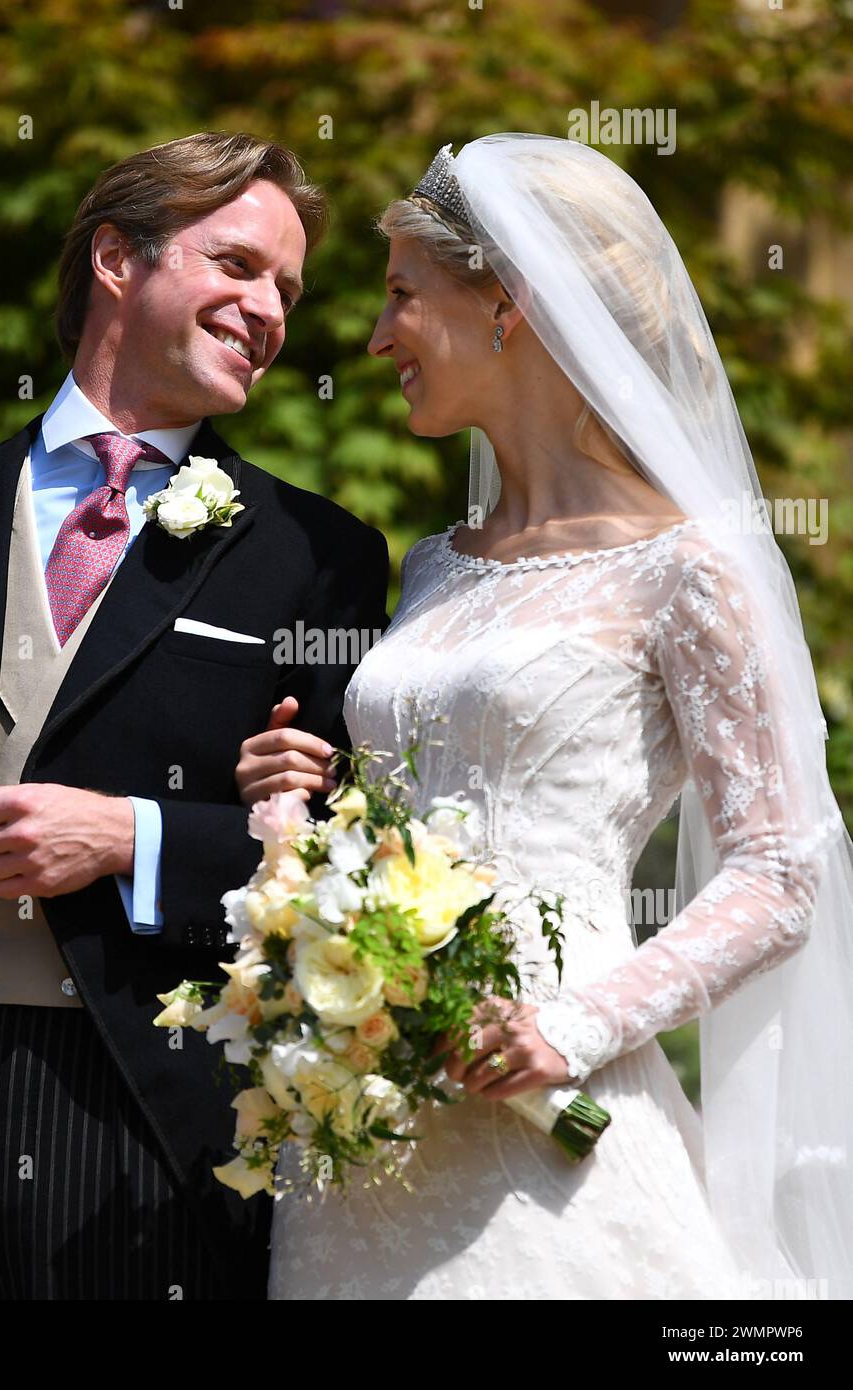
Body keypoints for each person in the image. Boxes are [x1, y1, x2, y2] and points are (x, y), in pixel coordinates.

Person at [236, 134, 853, 1300]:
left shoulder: (692, 566)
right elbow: (406, 828)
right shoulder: (432, 567)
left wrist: (571, 1023)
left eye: (403, 297)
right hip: (365, 1143)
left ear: (507, 304)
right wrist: (292, 820)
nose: (375, 339)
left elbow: (779, 867)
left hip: (554, 1125)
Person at [0, 130, 389, 1302]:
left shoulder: (318, 557)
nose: (268, 309)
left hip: (148, 1131)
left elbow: (350, 866)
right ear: (117, 259)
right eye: (237, 265)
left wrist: (133, 838)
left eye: (286, 289)